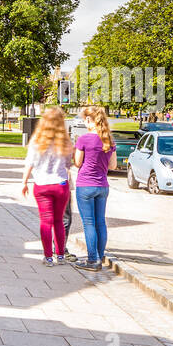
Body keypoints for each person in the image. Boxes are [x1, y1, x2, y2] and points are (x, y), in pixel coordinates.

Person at [21, 106, 72, 265]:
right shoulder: (65, 142)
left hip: (42, 185)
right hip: (60, 184)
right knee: (59, 221)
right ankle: (61, 255)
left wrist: (24, 182)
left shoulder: (37, 141)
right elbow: (68, 164)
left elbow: (29, 163)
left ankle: (48, 257)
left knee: (45, 221)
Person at [72, 105, 116, 270]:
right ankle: (99, 256)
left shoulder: (83, 139)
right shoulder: (109, 140)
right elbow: (113, 165)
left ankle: (92, 260)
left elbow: (77, 162)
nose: (84, 123)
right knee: (100, 222)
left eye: (84, 120)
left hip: (85, 185)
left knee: (88, 223)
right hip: (102, 186)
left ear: (89, 120)